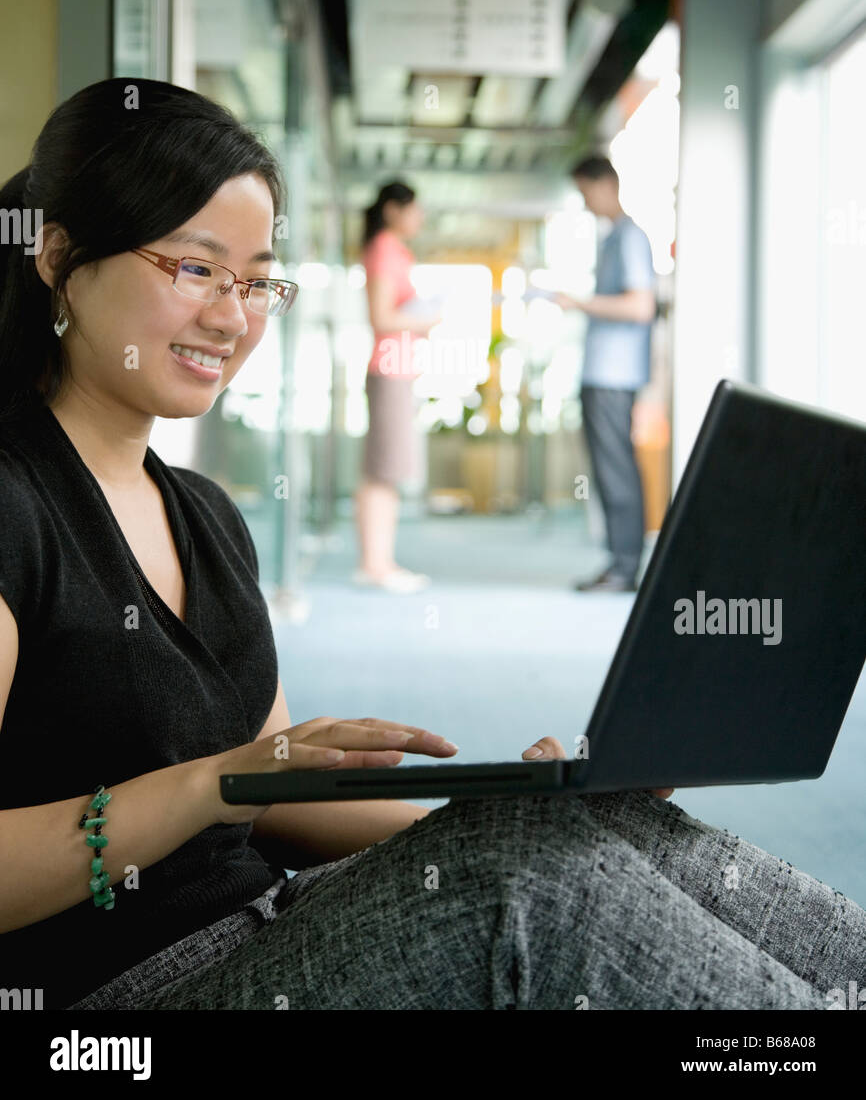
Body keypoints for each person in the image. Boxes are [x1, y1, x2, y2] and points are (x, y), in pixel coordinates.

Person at [0, 80, 863, 1012]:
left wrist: (491, 820)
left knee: (580, 836)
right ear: (58, 257)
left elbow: (268, 794)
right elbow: (230, 784)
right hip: (117, 1001)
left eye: (255, 280)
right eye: (196, 268)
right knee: (524, 891)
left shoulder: (206, 514)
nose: (232, 317)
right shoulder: (16, 505)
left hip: (264, 930)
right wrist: (207, 786)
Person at [556, 155, 656, 593]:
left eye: (584, 192)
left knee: (617, 469)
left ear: (604, 185)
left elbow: (639, 307)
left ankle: (624, 567)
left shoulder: (631, 237)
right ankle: (619, 561)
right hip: (603, 374)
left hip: (614, 376)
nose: (584, 202)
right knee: (609, 468)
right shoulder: (613, 238)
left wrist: (579, 303)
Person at [353, 181, 439, 593]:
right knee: (382, 471)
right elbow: (382, 317)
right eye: (414, 209)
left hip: (398, 371)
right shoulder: (386, 248)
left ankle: (378, 562)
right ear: (393, 210)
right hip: (389, 371)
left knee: (385, 470)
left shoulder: (393, 249)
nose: (420, 218)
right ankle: (375, 565)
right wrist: (427, 320)